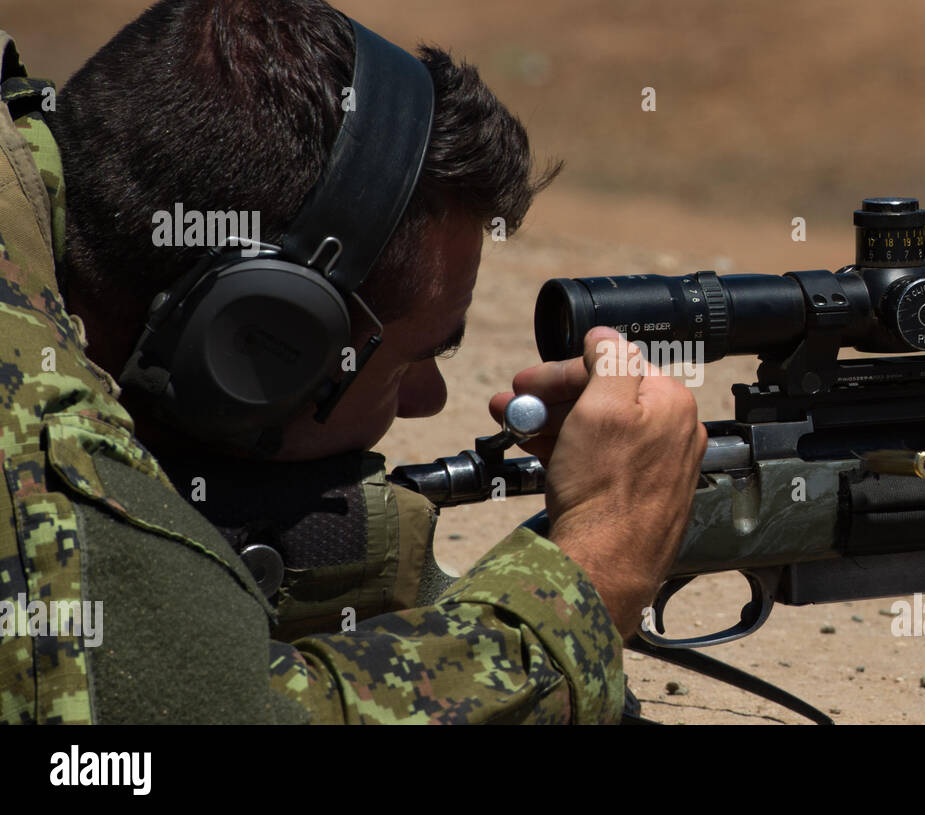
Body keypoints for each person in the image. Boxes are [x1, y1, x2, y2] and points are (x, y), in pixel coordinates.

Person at [0, 0, 706, 725]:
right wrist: (587, 580)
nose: (428, 398)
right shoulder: (31, 463)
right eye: (412, 360)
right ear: (254, 339)